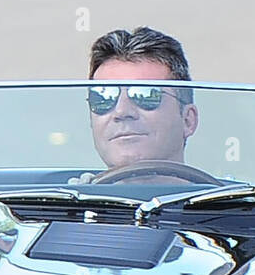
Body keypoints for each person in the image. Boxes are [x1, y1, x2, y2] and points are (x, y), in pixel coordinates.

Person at [81, 27, 200, 176]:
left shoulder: (228, 198)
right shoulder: (60, 197)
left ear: (188, 120)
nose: (121, 112)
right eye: (103, 97)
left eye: (144, 94)